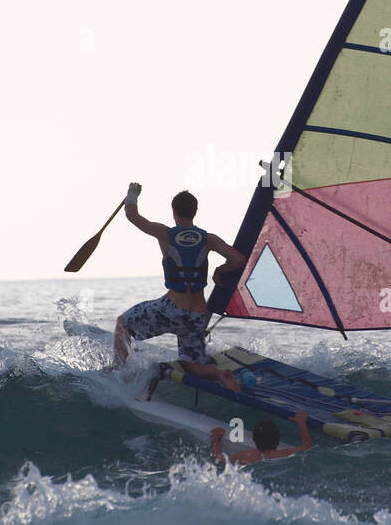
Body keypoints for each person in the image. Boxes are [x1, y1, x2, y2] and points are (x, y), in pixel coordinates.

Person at [114, 183, 245, 390]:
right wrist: (220, 270)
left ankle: (118, 371)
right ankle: (220, 374)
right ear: (195, 212)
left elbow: (132, 216)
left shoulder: (165, 233)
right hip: (198, 315)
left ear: (174, 212)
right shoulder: (209, 239)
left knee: (123, 323)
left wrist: (132, 193)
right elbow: (237, 259)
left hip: (171, 310)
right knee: (194, 366)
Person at [210, 409, 314, 466]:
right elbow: (308, 447)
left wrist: (215, 439)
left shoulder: (245, 455)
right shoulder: (285, 454)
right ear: (278, 440)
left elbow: (220, 460)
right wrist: (301, 423)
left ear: (254, 440)